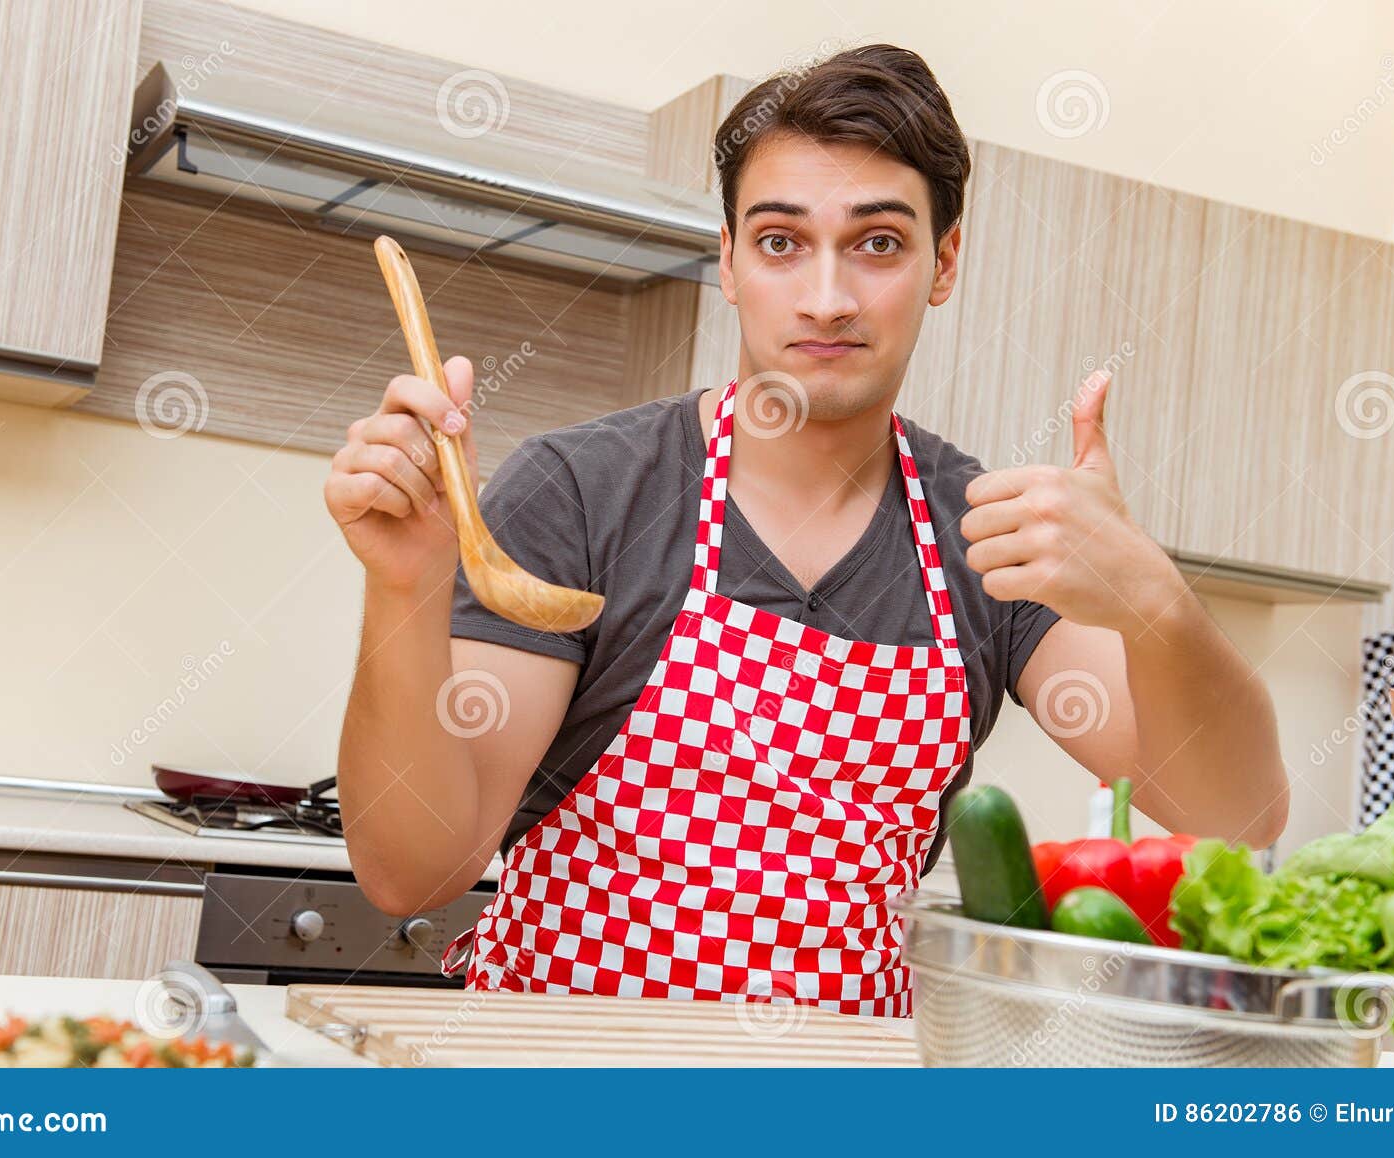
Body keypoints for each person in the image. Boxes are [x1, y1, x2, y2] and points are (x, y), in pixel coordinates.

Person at [323, 44, 1289, 1016]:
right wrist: (402, 588)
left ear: (943, 262)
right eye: (782, 241)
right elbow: (413, 873)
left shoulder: (982, 535)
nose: (827, 296)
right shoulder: (581, 495)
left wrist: (1157, 602)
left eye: (877, 243)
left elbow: (1234, 816)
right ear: (731, 261)